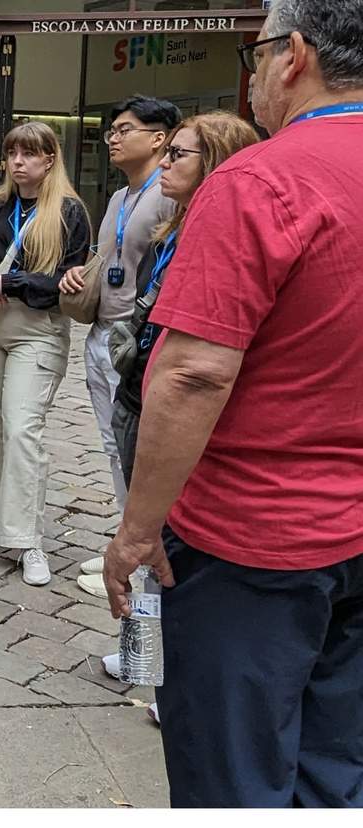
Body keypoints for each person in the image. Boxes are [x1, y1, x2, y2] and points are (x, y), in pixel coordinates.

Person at [103, 0, 363, 806]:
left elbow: (192, 373)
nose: (250, 74)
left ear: (292, 56)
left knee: (232, 776)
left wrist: (137, 528)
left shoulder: (260, 177)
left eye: (253, 54)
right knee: (336, 768)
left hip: (254, 537)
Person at [91, 112, 260, 708]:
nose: (164, 162)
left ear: (212, 162)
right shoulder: (172, 224)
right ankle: (147, 650)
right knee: (145, 520)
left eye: (179, 155)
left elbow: (201, 367)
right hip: (137, 390)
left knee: (165, 535)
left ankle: (168, 676)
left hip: (165, 402)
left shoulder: (215, 235)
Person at [0, 121, 92, 587]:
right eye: (12, 153)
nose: (18, 162)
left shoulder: (69, 213)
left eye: (29, 154)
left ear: (49, 160)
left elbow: (70, 283)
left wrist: (7, 282)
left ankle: (28, 538)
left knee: (22, 429)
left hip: (37, 330)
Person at [59, 96, 179, 599]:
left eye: (124, 128)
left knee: (138, 448)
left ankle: (146, 548)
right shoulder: (117, 198)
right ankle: (125, 536)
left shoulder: (169, 195)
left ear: (158, 138)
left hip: (139, 342)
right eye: (111, 129)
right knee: (113, 447)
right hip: (103, 334)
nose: (112, 137)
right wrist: (76, 273)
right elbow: (105, 257)